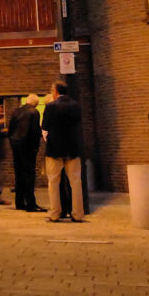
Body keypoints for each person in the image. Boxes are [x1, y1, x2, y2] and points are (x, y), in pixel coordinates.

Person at [42, 82, 85, 222]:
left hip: (55, 148)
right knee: (75, 182)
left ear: (55, 91)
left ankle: (55, 213)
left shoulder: (50, 106)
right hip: (72, 148)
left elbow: (45, 126)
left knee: (53, 181)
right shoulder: (76, 105)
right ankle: (78, 213)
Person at [9, 94, 44, 212]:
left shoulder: (16, 111)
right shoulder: (34, 112)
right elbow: (34, 131)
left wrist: (12, 142)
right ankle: (30, 203)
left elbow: (10, 129)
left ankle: (19, 202)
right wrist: (36, 147)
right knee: (29, 174)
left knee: (19, 174)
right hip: (28, 146)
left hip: (16, 145)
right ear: (35, 103)